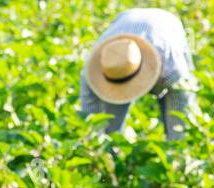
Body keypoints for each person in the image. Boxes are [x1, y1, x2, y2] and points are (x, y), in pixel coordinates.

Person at [79, 8, 198, 141]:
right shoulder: (93, 72)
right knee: (110, 131)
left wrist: (176, 149)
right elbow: (91, 123)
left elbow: (181, 123)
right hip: (127, 18)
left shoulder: (172, 71)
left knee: (177, 127)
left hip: (167, 25)